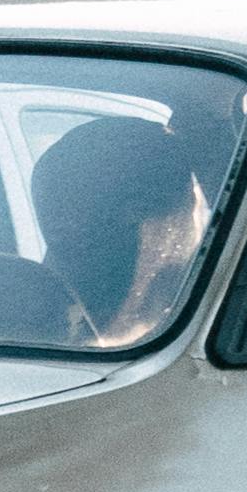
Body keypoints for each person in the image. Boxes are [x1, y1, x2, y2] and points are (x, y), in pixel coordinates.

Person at [32, 107, 212, 342]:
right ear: (143, 217)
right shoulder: (194, 340)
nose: (202, 218)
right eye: (192, 201)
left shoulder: (14, 329)